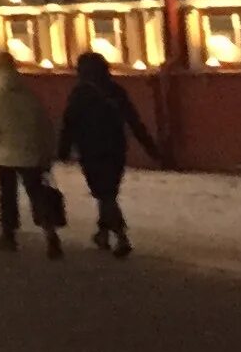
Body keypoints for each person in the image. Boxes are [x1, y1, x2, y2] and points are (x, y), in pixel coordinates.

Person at [58, 49, 166, 258]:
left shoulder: (80, 93)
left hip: (90, 150)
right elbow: (133, 120)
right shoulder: (115, 91)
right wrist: (150, 148)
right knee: (108, 193)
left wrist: (63, 149)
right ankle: (103, 233)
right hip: (116, 149)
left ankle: (121, 236)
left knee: (105, 194)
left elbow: (69, 124)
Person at [0, 48, 64, 258]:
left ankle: (9, 235)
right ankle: (50, 232)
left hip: (3, 154)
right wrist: (46, 152)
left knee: (7, 194)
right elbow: (44, 125)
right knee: (37, 193)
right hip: (31, 154)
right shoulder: (29, 95)